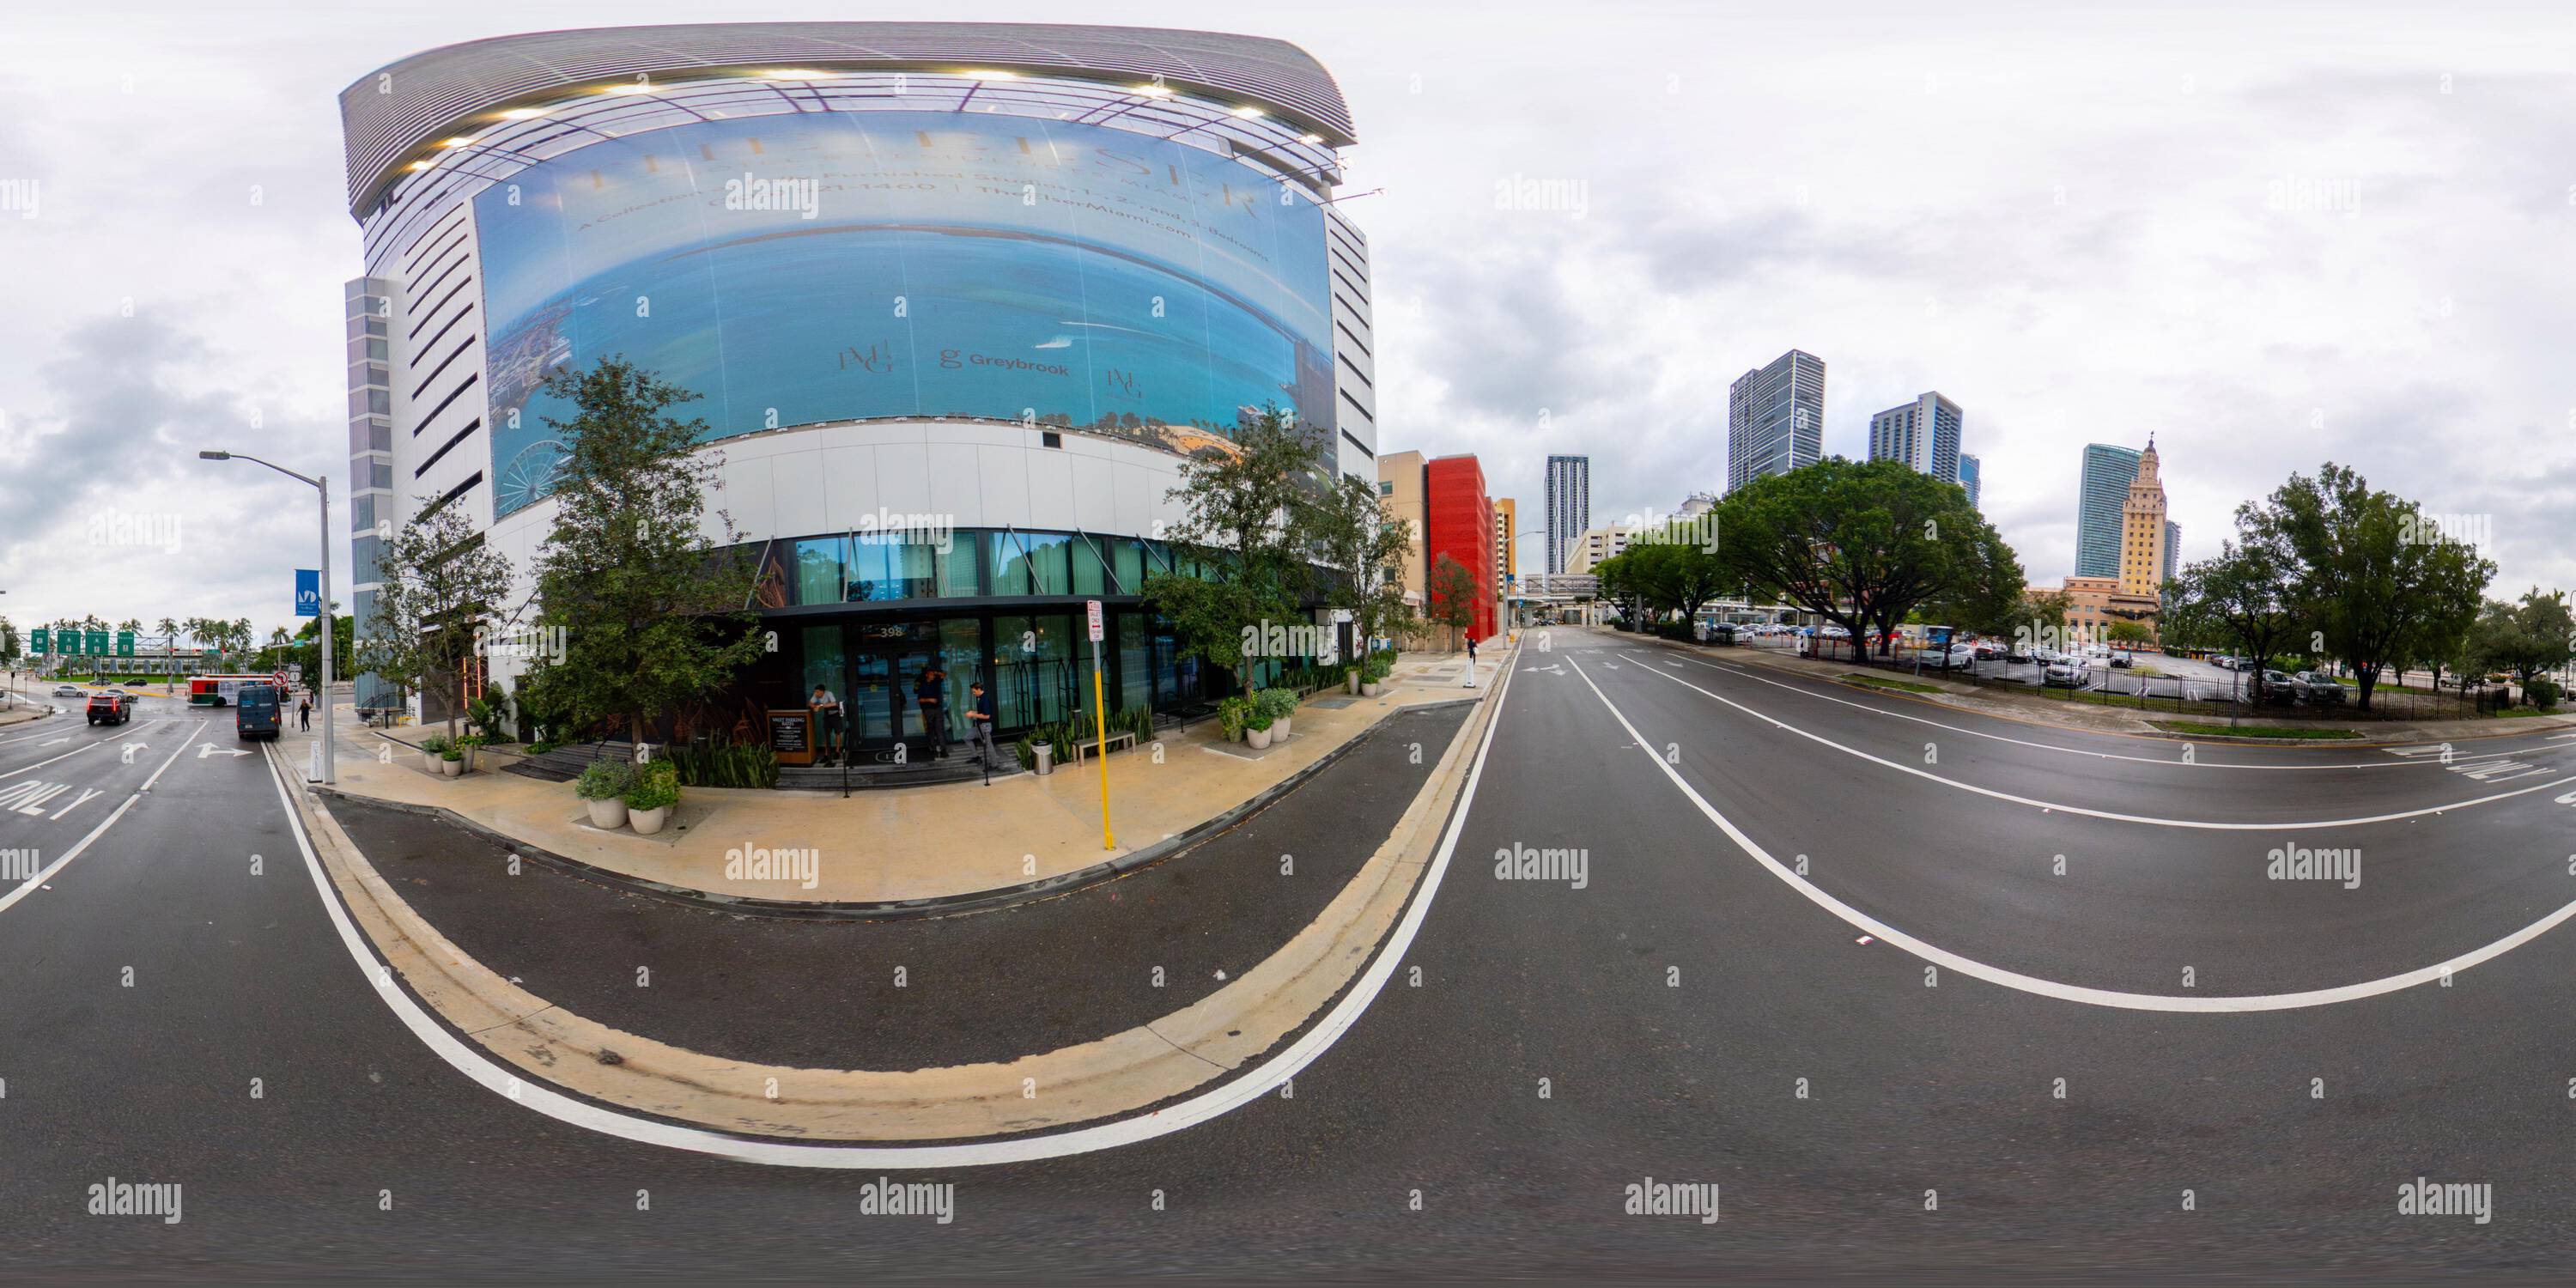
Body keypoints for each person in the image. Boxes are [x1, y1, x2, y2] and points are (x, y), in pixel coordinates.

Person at [966, 678, 999, 783]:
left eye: (974, 691)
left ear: (979, 689)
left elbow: (987, 716)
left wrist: (973, 715)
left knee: (989, 745)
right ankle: (976, 756)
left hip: (985, 726)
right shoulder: (981, 698)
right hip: (980, 725)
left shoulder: (984, 699)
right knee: (967, 738)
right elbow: (982, 712)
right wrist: (974, 712)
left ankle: (994, 765)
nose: (973, 693)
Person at [916, 663, 947, 759]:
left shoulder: (936, 681)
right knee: (931, 730)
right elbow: (920, 699)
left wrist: (936, 672)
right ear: (927, 675)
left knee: (940, 729)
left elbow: (944, 675)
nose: (933, 675)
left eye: (934, 674)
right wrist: (929, 699)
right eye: (931, 674)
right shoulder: (923, 685)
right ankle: (933, 749)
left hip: (937, 709)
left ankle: (943, 750)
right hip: (928, 709)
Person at [810, 682, 842, 765]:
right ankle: (826, 754)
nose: (816, 694)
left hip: (835, 714)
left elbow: (834, 703)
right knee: (826, 734)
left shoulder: (829, 694)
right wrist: (814, 707)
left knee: (837, 733)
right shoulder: (816, 695)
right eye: (815, 692)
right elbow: (810, 703)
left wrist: (820, 706)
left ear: (822, 691)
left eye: (817, 692)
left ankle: (837, 751)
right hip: (827, 715)